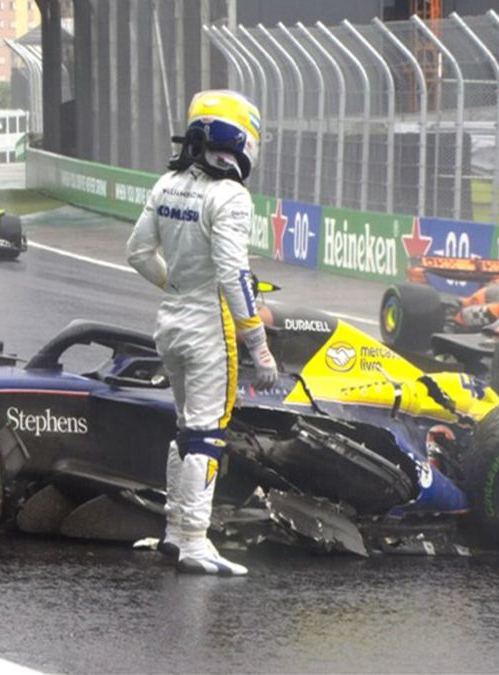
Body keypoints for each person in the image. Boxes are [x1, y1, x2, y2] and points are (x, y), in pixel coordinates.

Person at [126, 90, 278, 576]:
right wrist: (259, 344)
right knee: (208, 435)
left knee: (185, 429)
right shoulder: (230, 195)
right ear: (238, 139)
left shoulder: (166, 184)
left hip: (169, 322)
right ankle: (194, 540)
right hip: (209, 326)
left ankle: (175, 533)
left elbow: (137, 253)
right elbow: (235, 275)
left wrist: (177, 287)